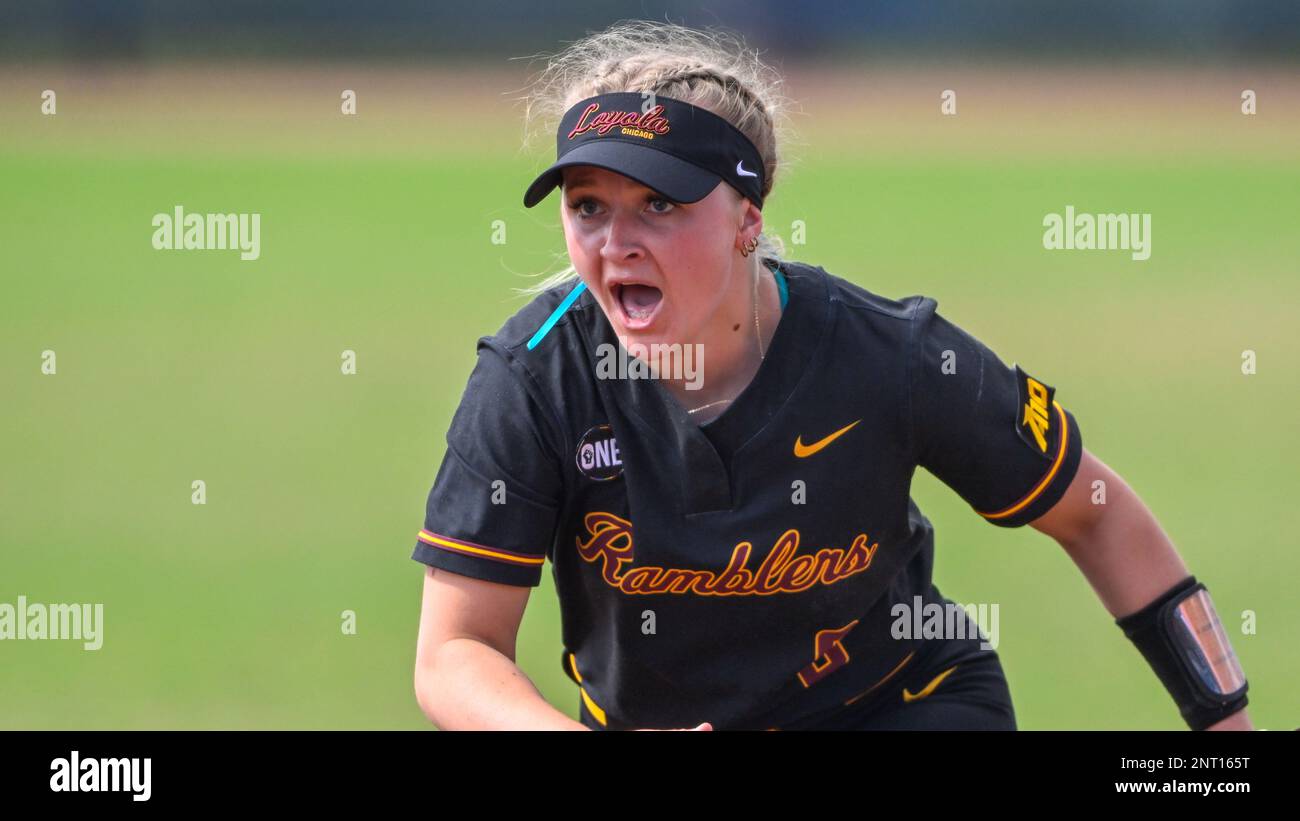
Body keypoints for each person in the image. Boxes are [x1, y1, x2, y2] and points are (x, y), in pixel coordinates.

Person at [411, 21, 1251, 731]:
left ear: (749, 217)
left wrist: (1227, 738)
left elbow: (1098, 518)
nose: (614, 241)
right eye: (587, 205)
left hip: (904, 707)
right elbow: (455, 652)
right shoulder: (534, 381)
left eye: (659, 204)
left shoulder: (890, 355)